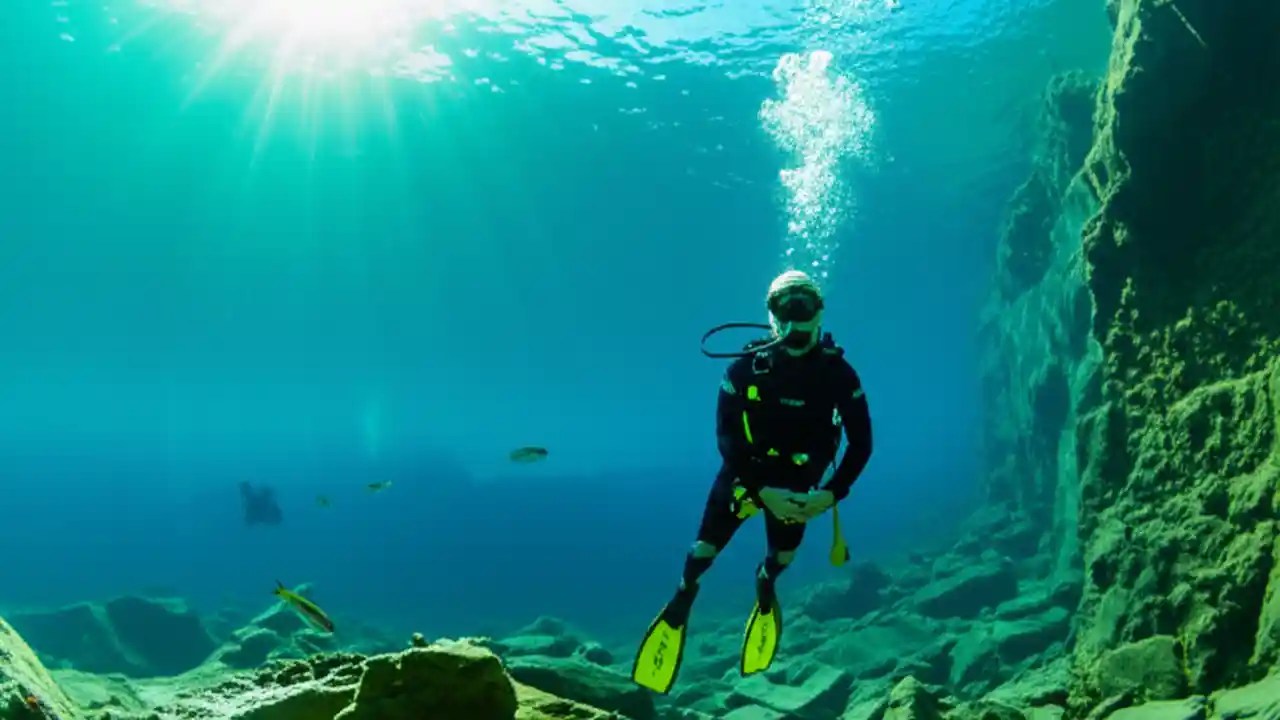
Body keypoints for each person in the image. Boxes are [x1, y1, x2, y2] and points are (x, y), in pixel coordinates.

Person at [631, 269, 873, 694]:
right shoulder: (747, 369)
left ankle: (766, 582)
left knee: (783, 558)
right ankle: (683, 596)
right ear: (771, 315)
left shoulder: (840, 374)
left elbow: (862, 442)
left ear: (821, 312)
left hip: (800, 487)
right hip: (747, 476)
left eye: (806, 306)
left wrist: (830, 495)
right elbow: (725, 436)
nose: (797, 320)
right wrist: (762, 490)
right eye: (787, 307)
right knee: (704, 550)